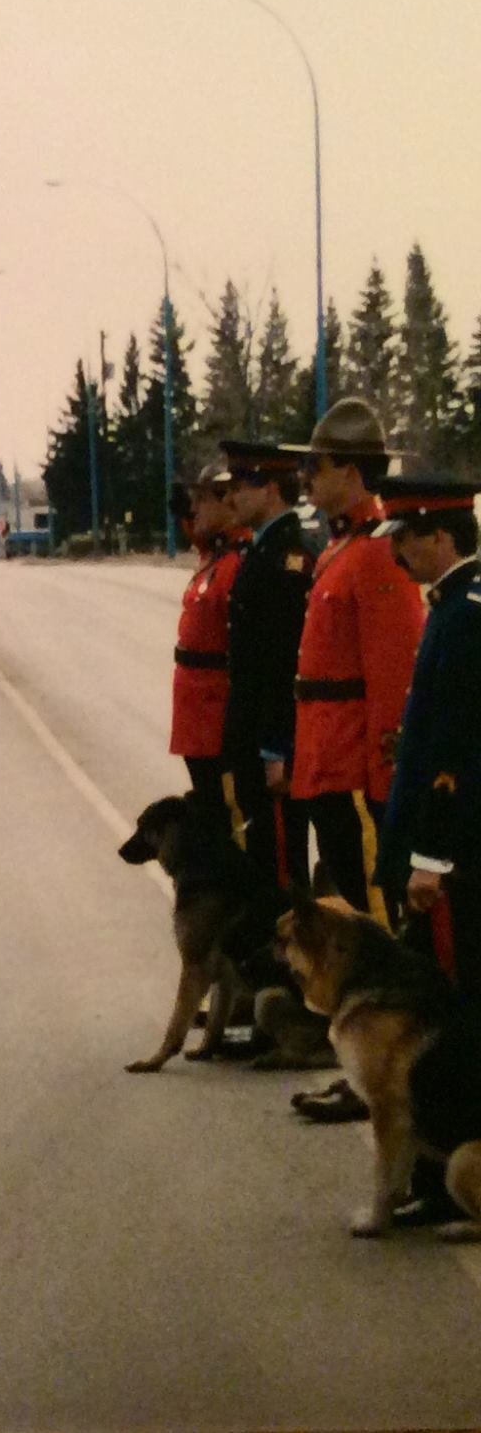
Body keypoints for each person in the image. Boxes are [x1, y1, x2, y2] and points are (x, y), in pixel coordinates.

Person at [277, 399, 426, 1123]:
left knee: (372, 928)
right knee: (348, 923)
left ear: (353, 470)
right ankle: (361, 1071)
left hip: (356, 765)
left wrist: (386, 785)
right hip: (325, 756)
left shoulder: (376, 555)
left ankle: (384, 1073)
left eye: (317, 465)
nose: (306, 476)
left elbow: (394, 678)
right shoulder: (342, 547)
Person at [378, 476, 481, 989]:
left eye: (406, 537)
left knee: (456, 983)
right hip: (444, 844)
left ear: (442, 537)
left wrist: (431, 857)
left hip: (454, 848)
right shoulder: (452, 606)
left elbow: (456, 749)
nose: (397, 551)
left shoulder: (465, 616)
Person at [217, 438, 315, 899]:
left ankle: (286, 962)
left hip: (269, 742)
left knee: (278, 865)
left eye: (242, 485)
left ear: (272, 489)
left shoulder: (289, 556)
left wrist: (276, 747)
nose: (232, 497)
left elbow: (282, 660)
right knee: (256, 855)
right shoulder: (262, 550)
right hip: (251, 734)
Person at [170, 461, 250, 822]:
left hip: (217, 716)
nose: (194, 509)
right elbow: (195, 530)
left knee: (230, 815)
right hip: (197, 716)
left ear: (227, 502)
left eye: (202, 500)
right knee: (210, 811)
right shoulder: (214, 557)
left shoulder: (239, 563)